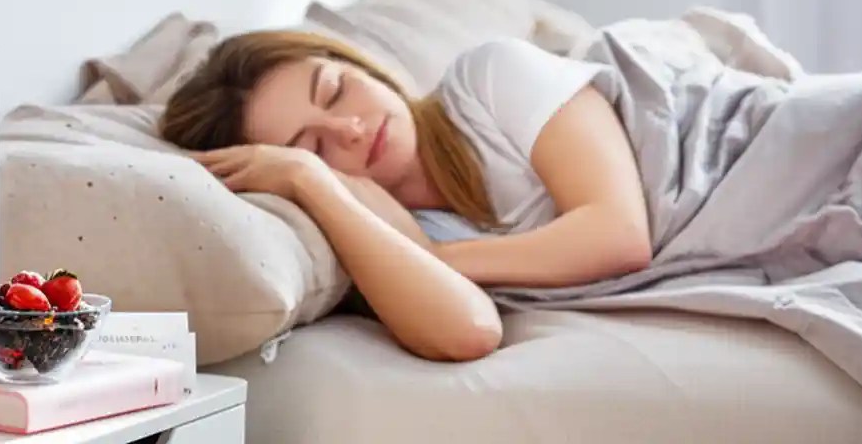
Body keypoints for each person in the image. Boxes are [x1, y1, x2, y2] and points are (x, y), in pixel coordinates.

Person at [159, 31, 652, 362]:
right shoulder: (375, 228)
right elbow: (470, 330)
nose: (349, 129)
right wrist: (312, 182)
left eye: (336, 91)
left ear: (354, 64)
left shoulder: (491, 78)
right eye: (312, 146)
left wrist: (435, 257)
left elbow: (618, 235)